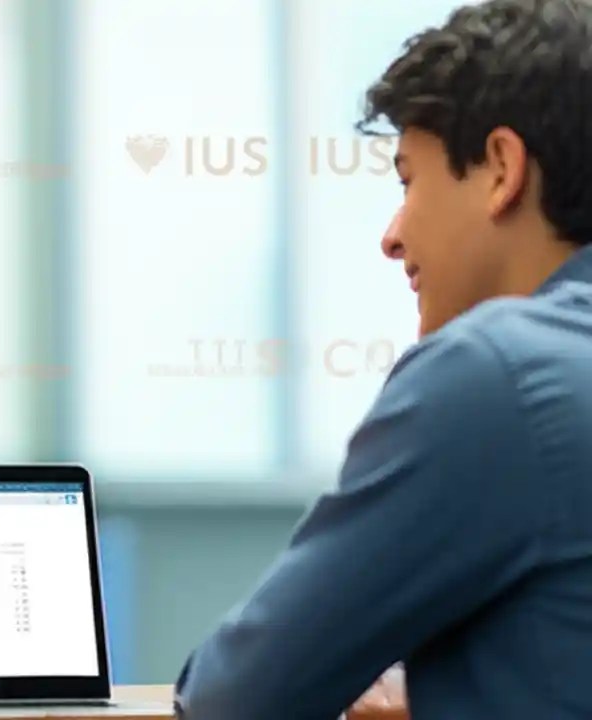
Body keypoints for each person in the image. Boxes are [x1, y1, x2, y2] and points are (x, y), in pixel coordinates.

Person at [173, 0, 592, 717]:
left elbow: (233, 698)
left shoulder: (493, 376)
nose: (392, 237)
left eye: (409, 181)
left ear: (500, 168)